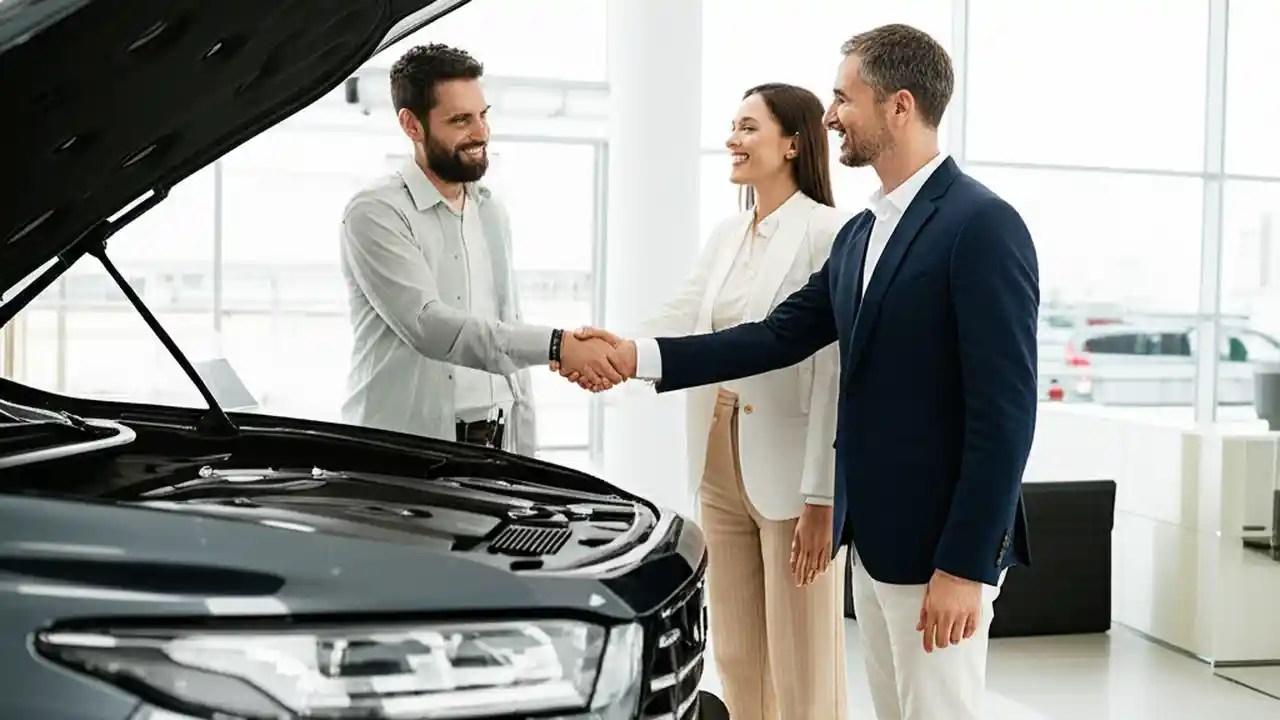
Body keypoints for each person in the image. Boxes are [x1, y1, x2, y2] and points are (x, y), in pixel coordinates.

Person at [573, 24, 1038, 720]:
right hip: (878, 542)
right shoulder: (860, 234)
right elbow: (773, 338)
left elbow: (1005, 414)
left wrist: (966, 565)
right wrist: (636, 357)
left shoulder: (982, 225)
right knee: (893, 708)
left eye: (844, 98)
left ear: (900, 106)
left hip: (942, 550)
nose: (830, 116)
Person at [569, 83, 852, 720]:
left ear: (792, 143)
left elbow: (834, 373)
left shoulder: (829, 231)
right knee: (740, 656)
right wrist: (613, 350)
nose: (733, 139)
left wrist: (823, 496)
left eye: (748, 127)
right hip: (719, 456)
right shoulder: (728, 231)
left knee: (804, 662)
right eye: (732, 126)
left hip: (791, 469)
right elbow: (687, 315)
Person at [339, 43, 622, 455]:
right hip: (404, 452)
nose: (480, 133)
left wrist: (525, 450)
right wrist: (560, 345)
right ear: (412, 125)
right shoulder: (376, 212)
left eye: (483, 115)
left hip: (495, 444)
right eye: (460, 120)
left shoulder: (490, 209)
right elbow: (429, 326)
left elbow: (506, 320)